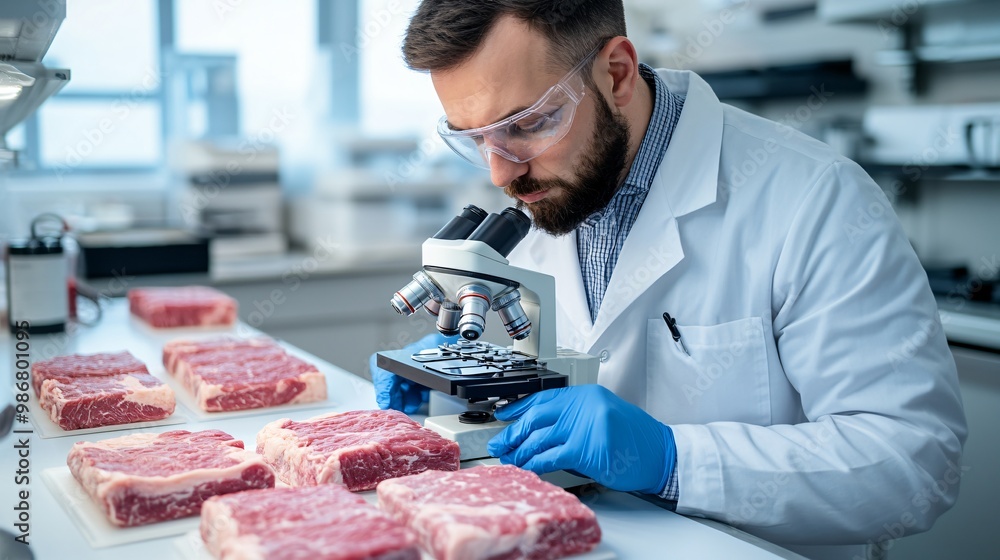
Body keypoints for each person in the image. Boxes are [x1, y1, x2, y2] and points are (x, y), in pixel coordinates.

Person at [369, 2, 967, 558]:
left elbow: (914, 463)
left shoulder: (815, 199)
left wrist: (671, 459)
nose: (502, 171)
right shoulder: (542, 182)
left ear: (618, 74)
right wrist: (467, 384)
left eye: (528, 123)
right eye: (474, 139)